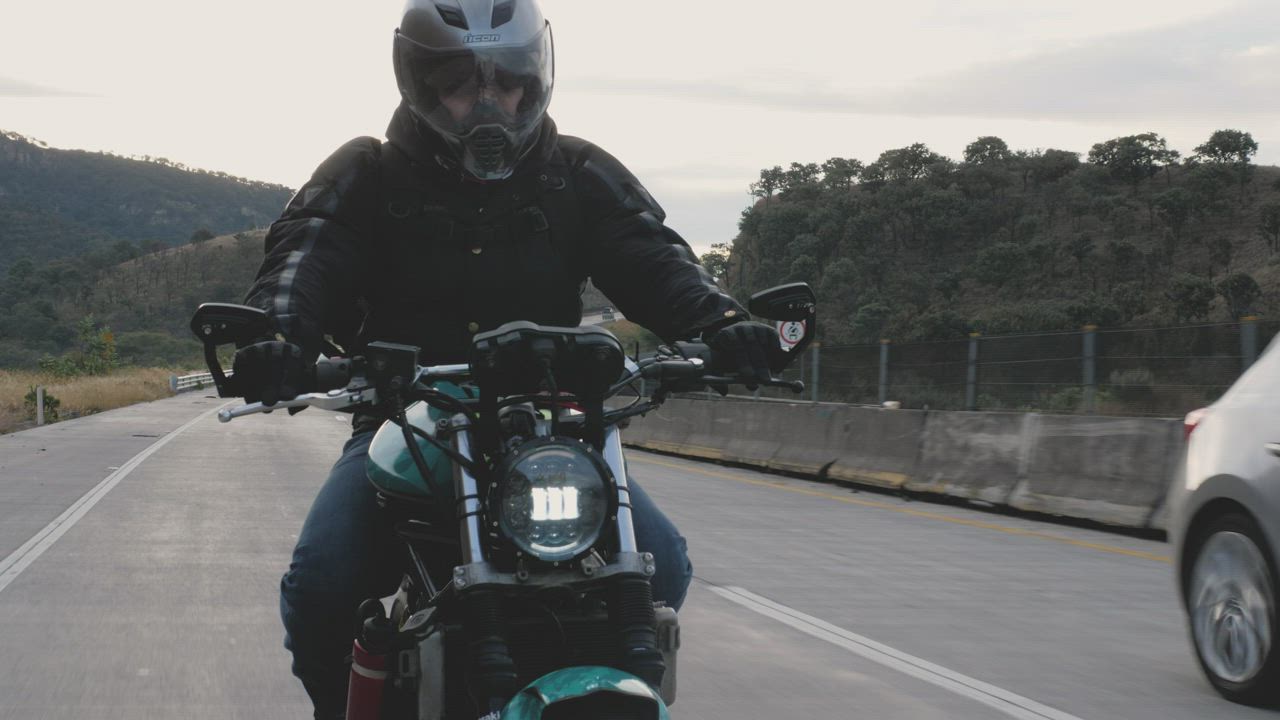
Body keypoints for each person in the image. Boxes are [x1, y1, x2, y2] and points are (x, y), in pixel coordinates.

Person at [232, 0, 777, 716]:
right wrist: (279, 337)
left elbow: (653, 258)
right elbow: (306, 258)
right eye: (461, 82)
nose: (487, 103)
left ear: (535, 79)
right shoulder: (367, 174)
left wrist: (723, 321)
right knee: (322, 586)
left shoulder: (576, 171)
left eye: (508, 81)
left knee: (662, 564)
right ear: (422, 85)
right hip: (408, 421)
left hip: (549, 424)